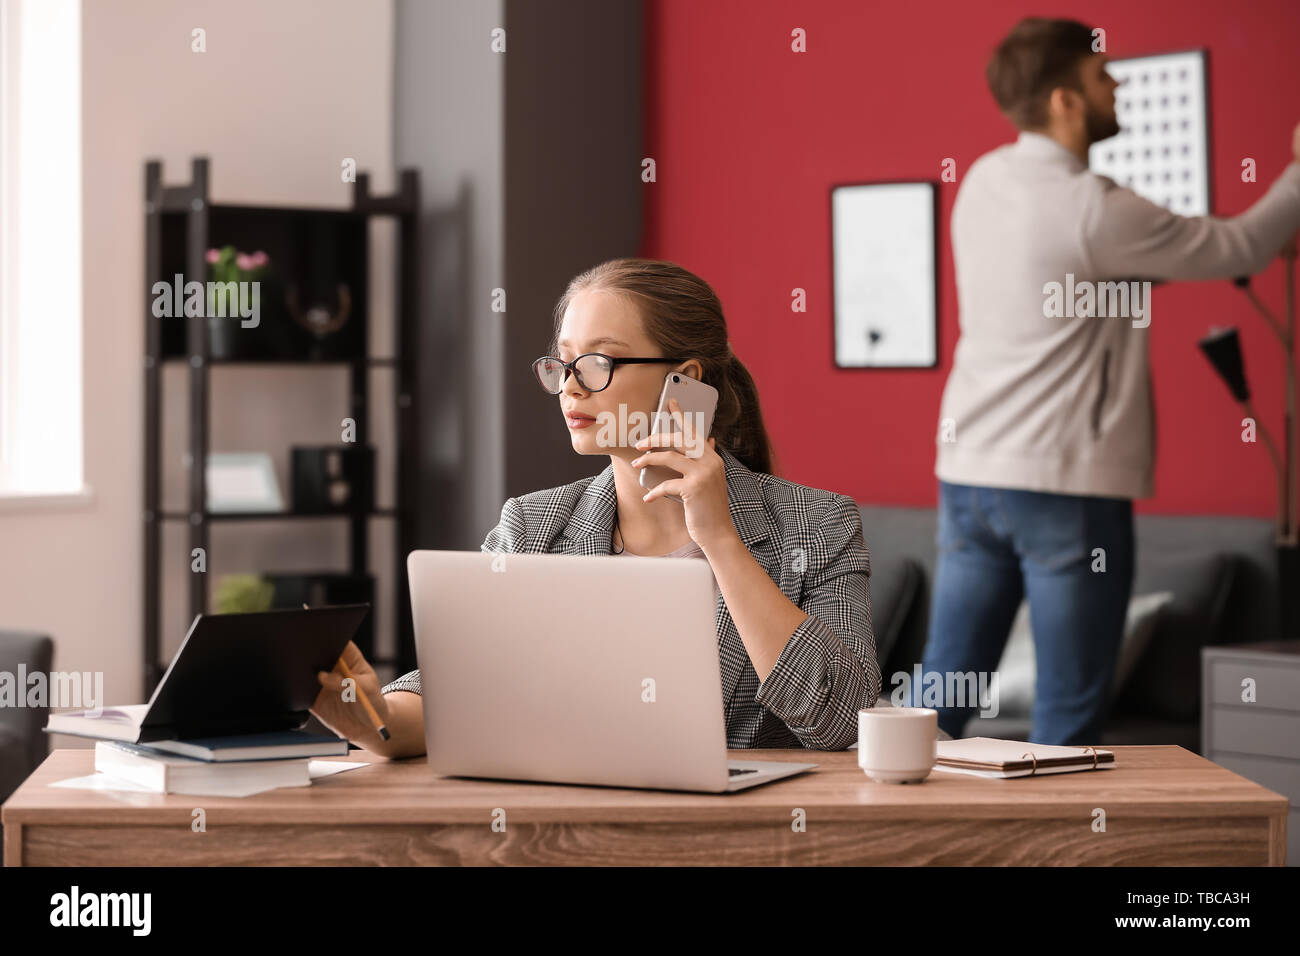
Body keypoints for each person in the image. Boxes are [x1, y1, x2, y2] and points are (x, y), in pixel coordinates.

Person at [311, 257, 882, 757]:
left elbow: (837, 722)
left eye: (599, 362)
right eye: (563, 363)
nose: (571, 388)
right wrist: (374, 720)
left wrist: (722, 542)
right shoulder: (530, 529)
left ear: (683, 380)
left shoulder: (818, 525)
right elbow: (462, 687)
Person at [920, 17, 1300, 745]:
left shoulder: (984, 181)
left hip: (968, 472)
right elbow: (1239, 244)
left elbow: (1082, 278)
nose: (1117, 84)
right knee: (1070, 715)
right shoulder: (1096, 208)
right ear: (1065, 100)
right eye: (1103, 76)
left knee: (942, 691)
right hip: (1064, 487)